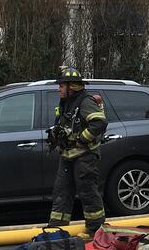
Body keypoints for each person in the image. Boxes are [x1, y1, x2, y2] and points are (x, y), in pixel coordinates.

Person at [45, 66, 107, 239]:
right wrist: (56, 135)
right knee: (61, 191)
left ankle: (96, 230)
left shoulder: (85, 101)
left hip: (85, 155)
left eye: (61, 86)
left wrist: (82, 139)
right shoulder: (66, 102)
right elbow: (67, 124)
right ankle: (56, 230)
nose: (59, 89)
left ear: (71, 86)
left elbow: (99, 123)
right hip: (68, 155)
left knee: (87, 192)